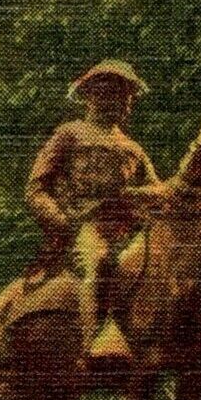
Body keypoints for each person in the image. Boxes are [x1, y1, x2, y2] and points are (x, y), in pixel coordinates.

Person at [25, 60, 161, 364]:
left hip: (128, 227)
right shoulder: (70, 134)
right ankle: (94, 343)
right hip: (84, 223)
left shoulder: (133, 149)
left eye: (126, 95)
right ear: (92, 96)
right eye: (114, 93)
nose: (123, 101)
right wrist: (62, 223)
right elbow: (35, 188)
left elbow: (158, 192)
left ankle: (189, 350)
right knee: (99, 258)